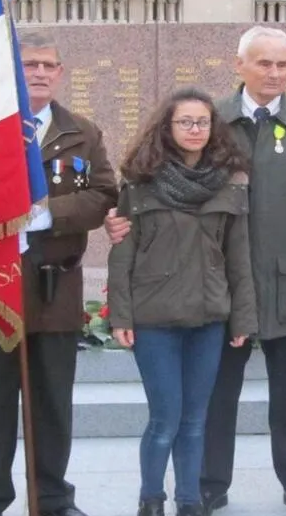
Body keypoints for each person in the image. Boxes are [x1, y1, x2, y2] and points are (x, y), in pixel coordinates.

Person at [105, 26, 286, 516]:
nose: (274, 73)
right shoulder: (211, 121)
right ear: (240, 65)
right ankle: (207, 484)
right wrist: (118, 220)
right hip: (214, 288)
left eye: (282, 64)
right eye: (263, 63)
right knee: (213, 397)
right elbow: (157, 183)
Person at [0, 30, 117, 516]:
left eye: (47, 66)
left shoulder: (81, 130)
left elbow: (103, 195)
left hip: (53, 288)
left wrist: (42, 214)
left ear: (60, 74)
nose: (39, 73)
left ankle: (53, 498)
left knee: (53, 404)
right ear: (13, 74)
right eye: (29, 65)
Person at [106, 87, 258, 516]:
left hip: (208, 318)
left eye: (203, 122)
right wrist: (121, 314)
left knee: (195, 421)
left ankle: (189, 501)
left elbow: (239, 256)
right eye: (185, 122)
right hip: (155, 319)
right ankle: (151, 499)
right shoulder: (139, 183)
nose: (195, 129)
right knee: (165, 420)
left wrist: (243, 319)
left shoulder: (230, 182)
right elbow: (123, 254)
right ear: (167, 129)